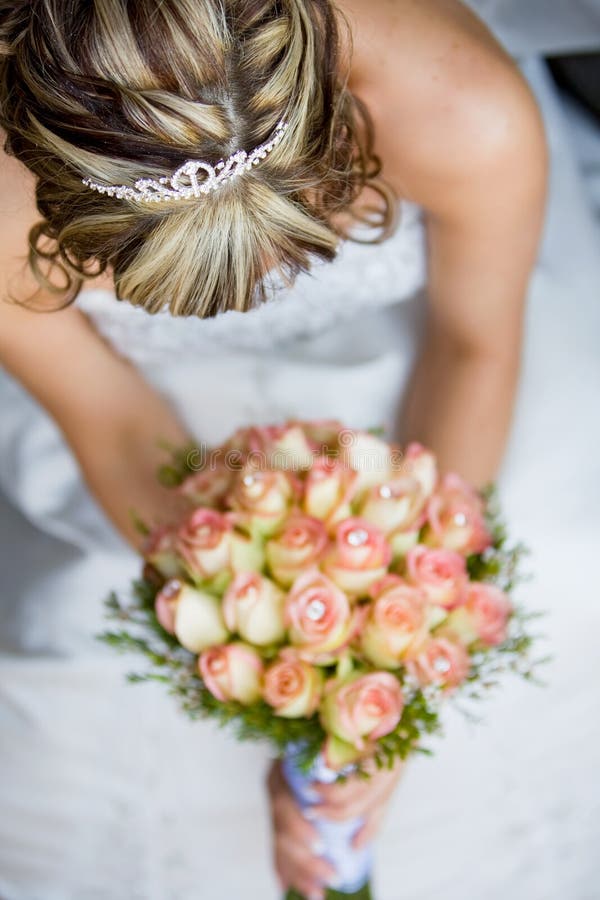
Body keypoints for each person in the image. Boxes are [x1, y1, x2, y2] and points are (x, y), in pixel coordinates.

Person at [1, 2, 597, 899]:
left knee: (562, 552)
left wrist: (394, 632)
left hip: (423, 323)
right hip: (158, 401)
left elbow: (475, 345)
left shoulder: (459, 106)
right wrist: (248, 610)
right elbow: (111, 418)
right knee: (75, 632)